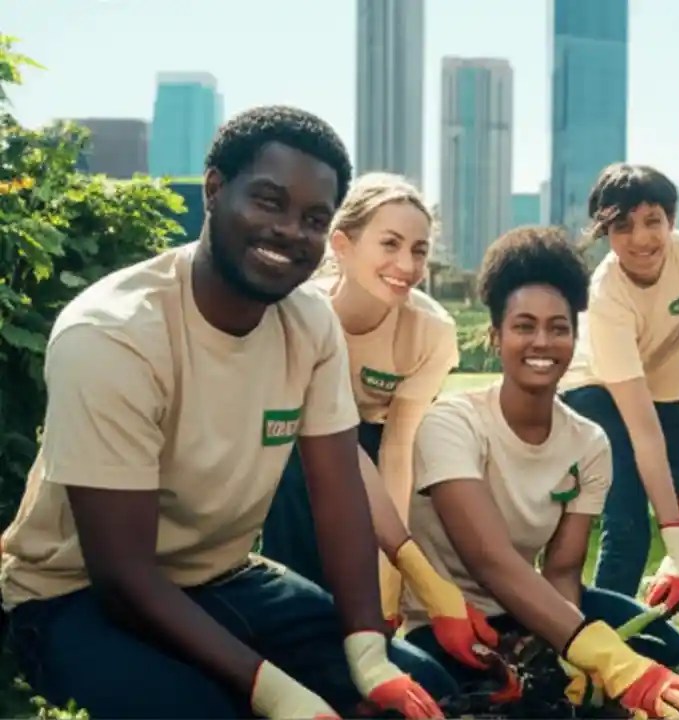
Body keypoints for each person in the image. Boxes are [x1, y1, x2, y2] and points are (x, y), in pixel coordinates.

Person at [0, 106, 455, 719]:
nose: (291, 231)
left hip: (222, 577)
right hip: (72, 595)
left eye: (313, 218)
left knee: (422, 686)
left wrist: (369, 654)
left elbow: (340, 490)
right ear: (215, 190)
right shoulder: (113, 333)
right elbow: (124, 577)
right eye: (269, 202)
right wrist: (278, 694)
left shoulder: (309, 321)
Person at [402, 225, 679, 719]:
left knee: (668, 650)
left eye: (558, 327)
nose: (542, 342)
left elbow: (563, 570)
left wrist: (561, 651)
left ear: (574, 336)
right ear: (495, 336)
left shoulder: (589, 443)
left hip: (531, 610)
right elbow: (489, 559)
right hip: (450, 623)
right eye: (524, 326)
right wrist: (603, 656)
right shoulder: (454, 424)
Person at [258, 172, 474, 647]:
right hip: (300, 438)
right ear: (342, 244)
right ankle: (293, 616)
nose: (406, 264)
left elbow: (397, 450)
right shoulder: (298, 312)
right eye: (390, 244)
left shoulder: (430, 330)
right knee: (298, 462)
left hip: (377, 441)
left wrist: (390, 581)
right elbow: (317, 432)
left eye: (418, 250)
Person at [559, 164, 679, 628]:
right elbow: (641, 429)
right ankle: (602, 644)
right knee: (629, 519)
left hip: (663, 385)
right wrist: (675, 546)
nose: (641, 239)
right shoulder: (606, 295)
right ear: (605, 233)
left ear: (672, 220)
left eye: (652, 220)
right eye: (622, 226)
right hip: (595, 387)